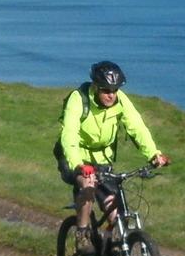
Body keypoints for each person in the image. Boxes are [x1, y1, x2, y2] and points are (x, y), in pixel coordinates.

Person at [56, 60, 169, 246]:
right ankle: (82, 235)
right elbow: (69, 135)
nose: (111, 95)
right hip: (74, 157)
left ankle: (113, 255)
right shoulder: (78, 99)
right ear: (95, 86)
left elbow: (137, 127)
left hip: (102, 160)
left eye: (114, 90)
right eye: (106, 90)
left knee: (115, 211)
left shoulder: (120, 100)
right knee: (88, 186)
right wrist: (78, 164)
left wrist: (153, 154)